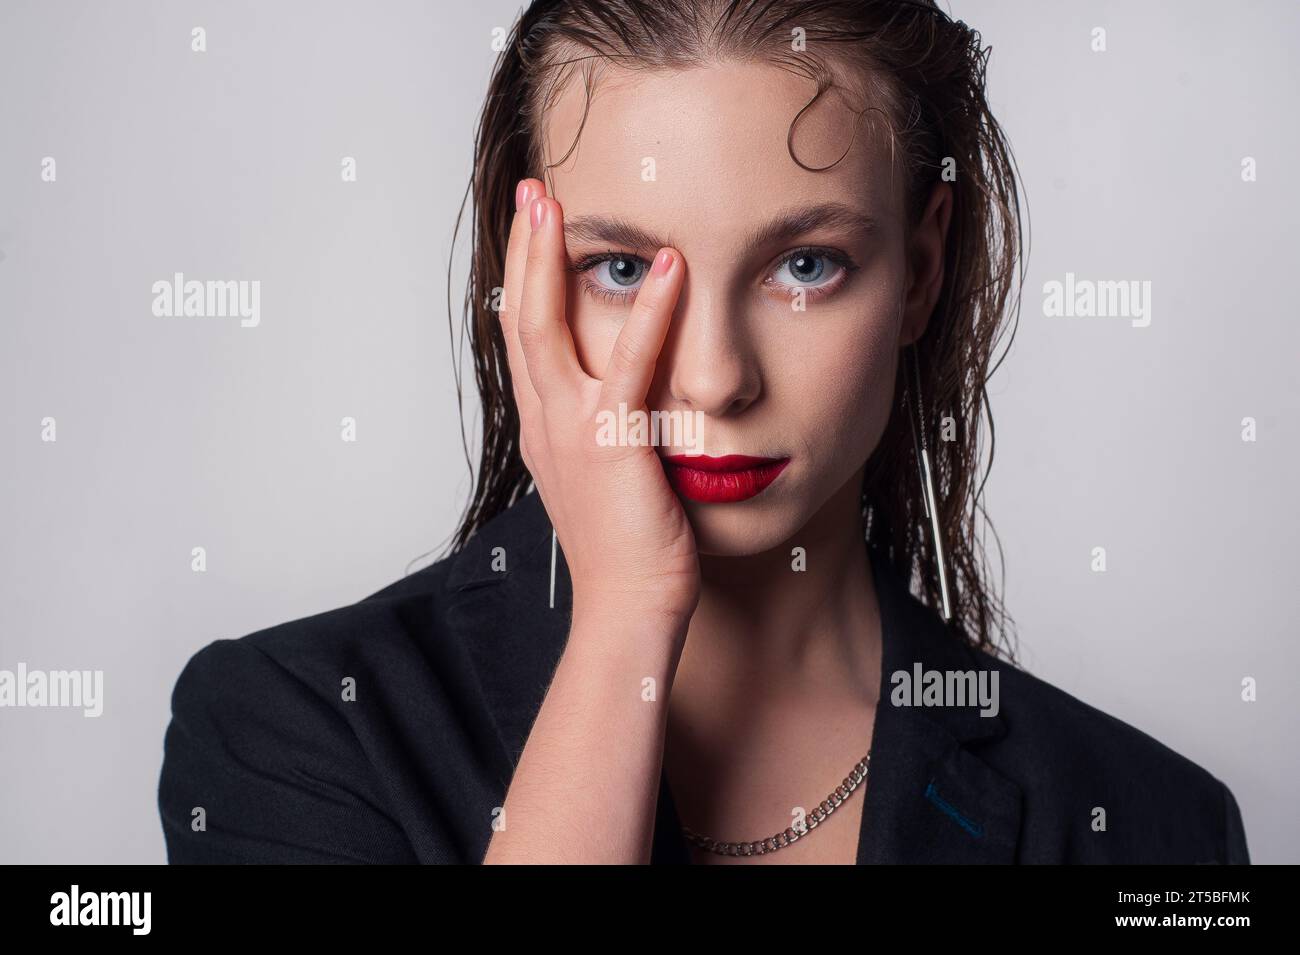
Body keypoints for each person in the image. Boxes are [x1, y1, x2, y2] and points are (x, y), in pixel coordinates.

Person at [159, 0, 1250, 864]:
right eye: (622, 269)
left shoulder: (1148, 822)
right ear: (526, 282)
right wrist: (627, 615)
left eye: (804, 265)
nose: (714, 376)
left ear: (919, 270)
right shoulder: (290, 734)